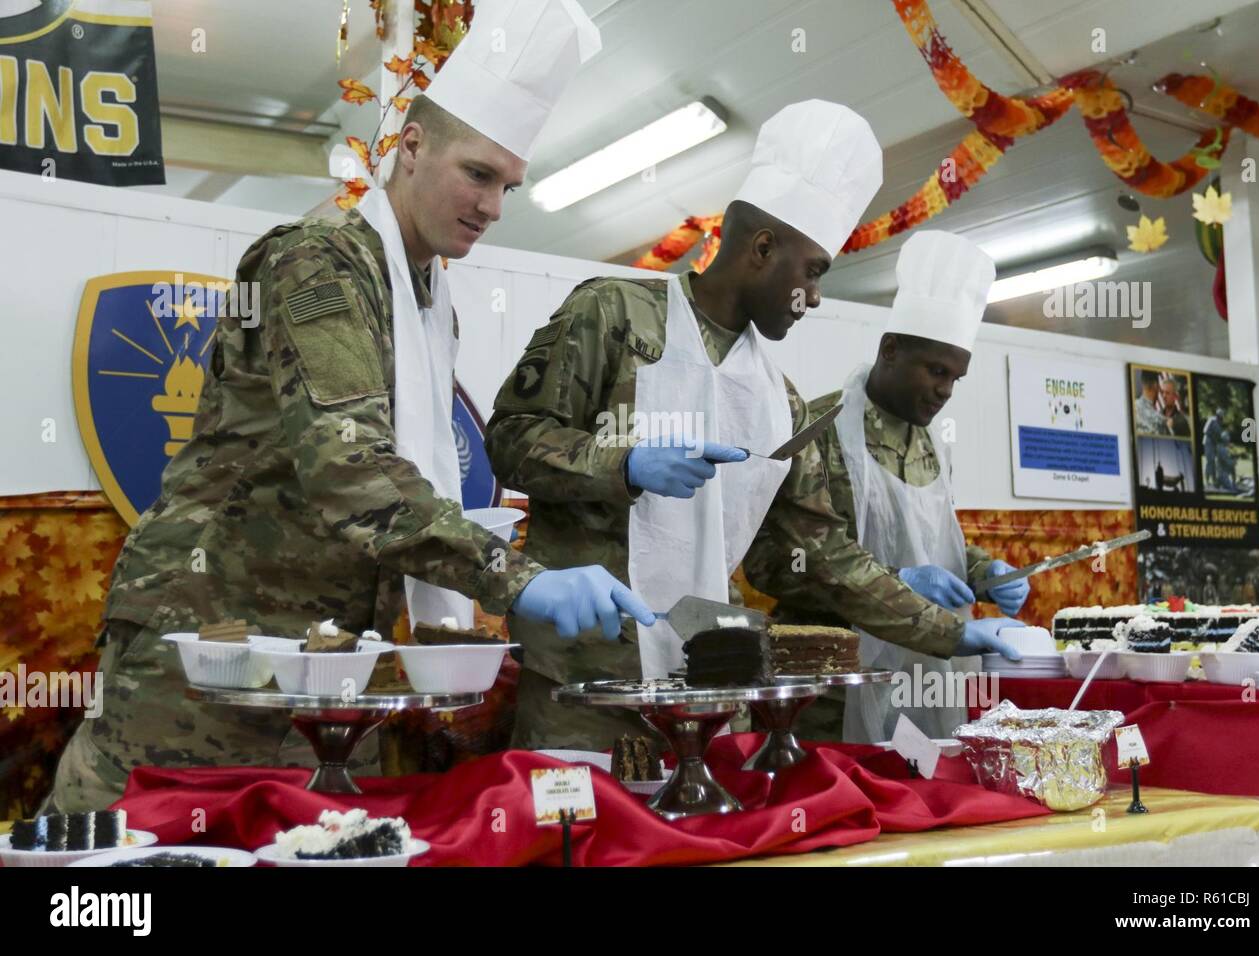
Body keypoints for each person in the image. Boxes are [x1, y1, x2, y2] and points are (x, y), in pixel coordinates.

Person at [47, 0, 656, 813]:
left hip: (329, 654)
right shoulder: (321, 263)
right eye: (477, 174)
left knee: (308, 844)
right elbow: (350, 468)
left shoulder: (431, 297)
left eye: (509, 185)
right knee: (131, 847)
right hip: (212, 638)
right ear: (410, 146)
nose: (493, 207)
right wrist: (518, 578)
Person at [485, 101, 1023, 750]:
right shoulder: (615, 315)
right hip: (584, 684)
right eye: (814, 270)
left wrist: (951, 631)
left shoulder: (781, 406)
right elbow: (510, 440)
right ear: (763, 248)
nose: (816, 297)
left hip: (708, 685)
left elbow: (814, 555)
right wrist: (620, 463)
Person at [763, 230, 1029, 742]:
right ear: (890, 350)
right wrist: (897, 578)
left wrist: (983, 571)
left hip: (924, 685)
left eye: (955, 378)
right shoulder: (816, 429)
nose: (944, 391)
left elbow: (932, 543)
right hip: (828, 690)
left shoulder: (932, 445)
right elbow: (771, 566)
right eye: (935, 370)